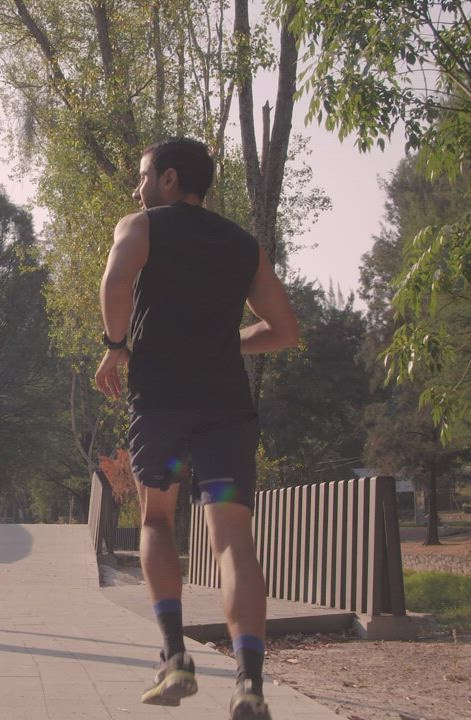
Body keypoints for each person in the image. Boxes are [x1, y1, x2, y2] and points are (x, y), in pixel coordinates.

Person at [94, 138, 298, 719]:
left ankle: (174, 659)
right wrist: (222, 345)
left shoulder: (143, 225)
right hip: (225, 409)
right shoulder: (243, 246)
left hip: (161, 404)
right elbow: (283, 330)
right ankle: (249, 683)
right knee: (234, 541)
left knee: (158, 518)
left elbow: (115, 285)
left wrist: (114, 347)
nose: (137, 188)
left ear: (168, 179)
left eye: (143, 175)